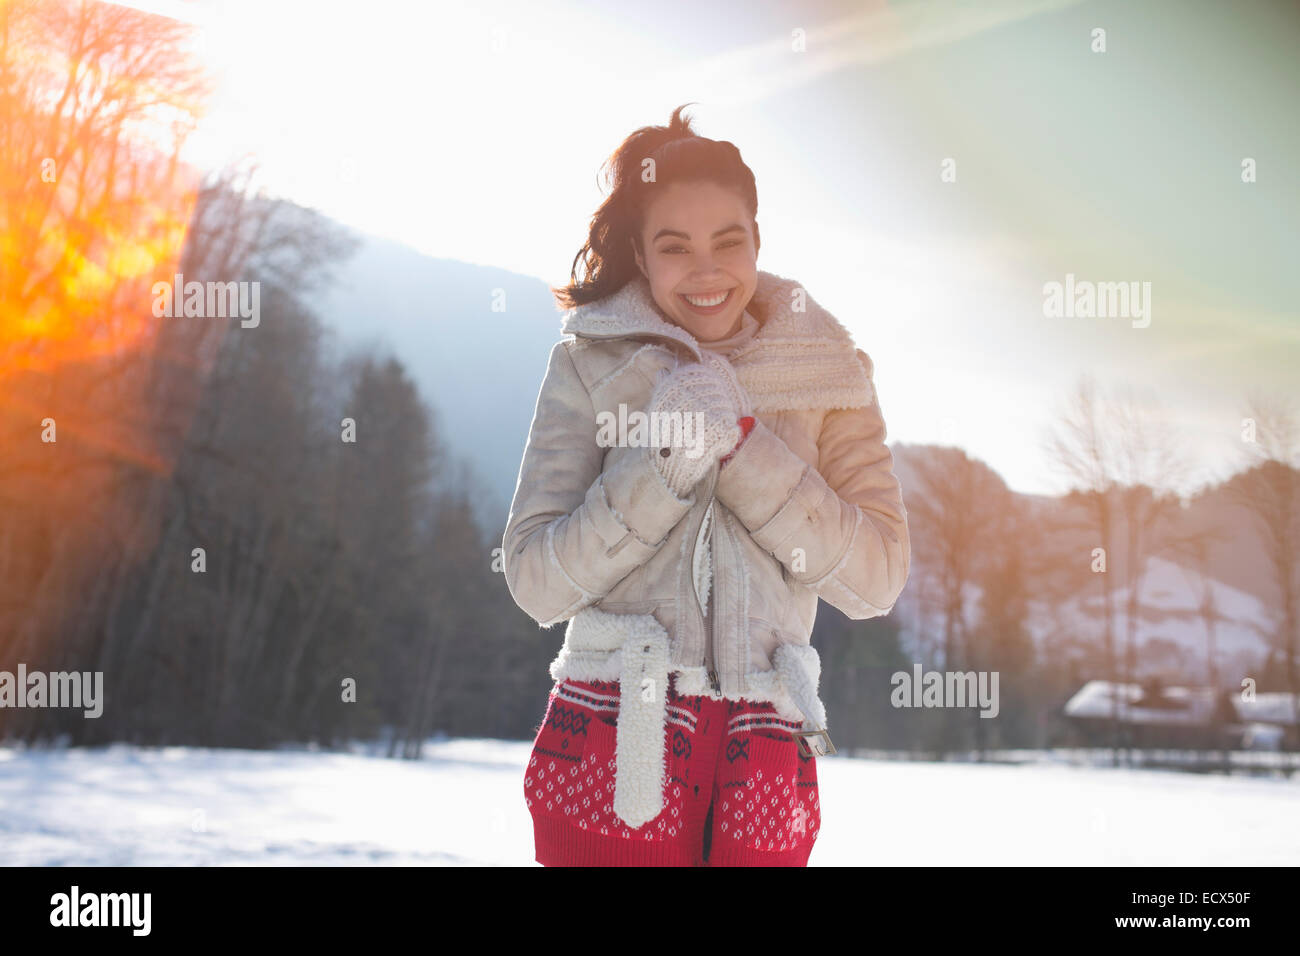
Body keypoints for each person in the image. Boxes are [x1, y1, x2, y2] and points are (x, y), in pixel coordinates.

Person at [504, 103, 910, 866]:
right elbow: (534, 580)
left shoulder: (830, 374)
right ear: (641, 254)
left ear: (758, 240)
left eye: (729, 241)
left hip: (765, 770)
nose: (708, 270)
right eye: (675, 247)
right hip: (608, 753)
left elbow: (877, 577)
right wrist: (664, 465)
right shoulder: (588, 365)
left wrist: (747, 455)